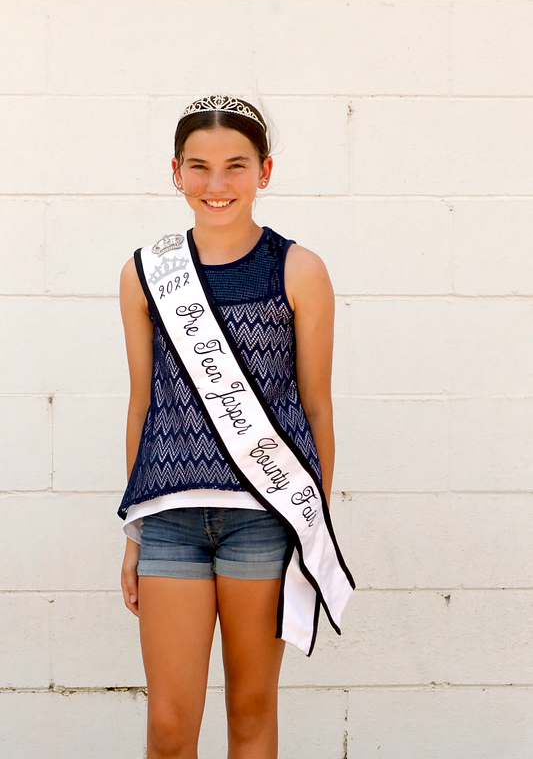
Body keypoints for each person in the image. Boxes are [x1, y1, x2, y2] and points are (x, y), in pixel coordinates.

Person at [117, 94, 353, 759]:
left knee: (250, 710)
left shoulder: (299, 269)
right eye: (198, 166)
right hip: (170, 518)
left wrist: (311, 526)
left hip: (262, 516)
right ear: (175, 172)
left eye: (234, 166)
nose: (215, 184)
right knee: (168, 727)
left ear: (264, 172)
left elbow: (316, 408)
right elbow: (142, 407)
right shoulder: (145, 273)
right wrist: (133, 533)